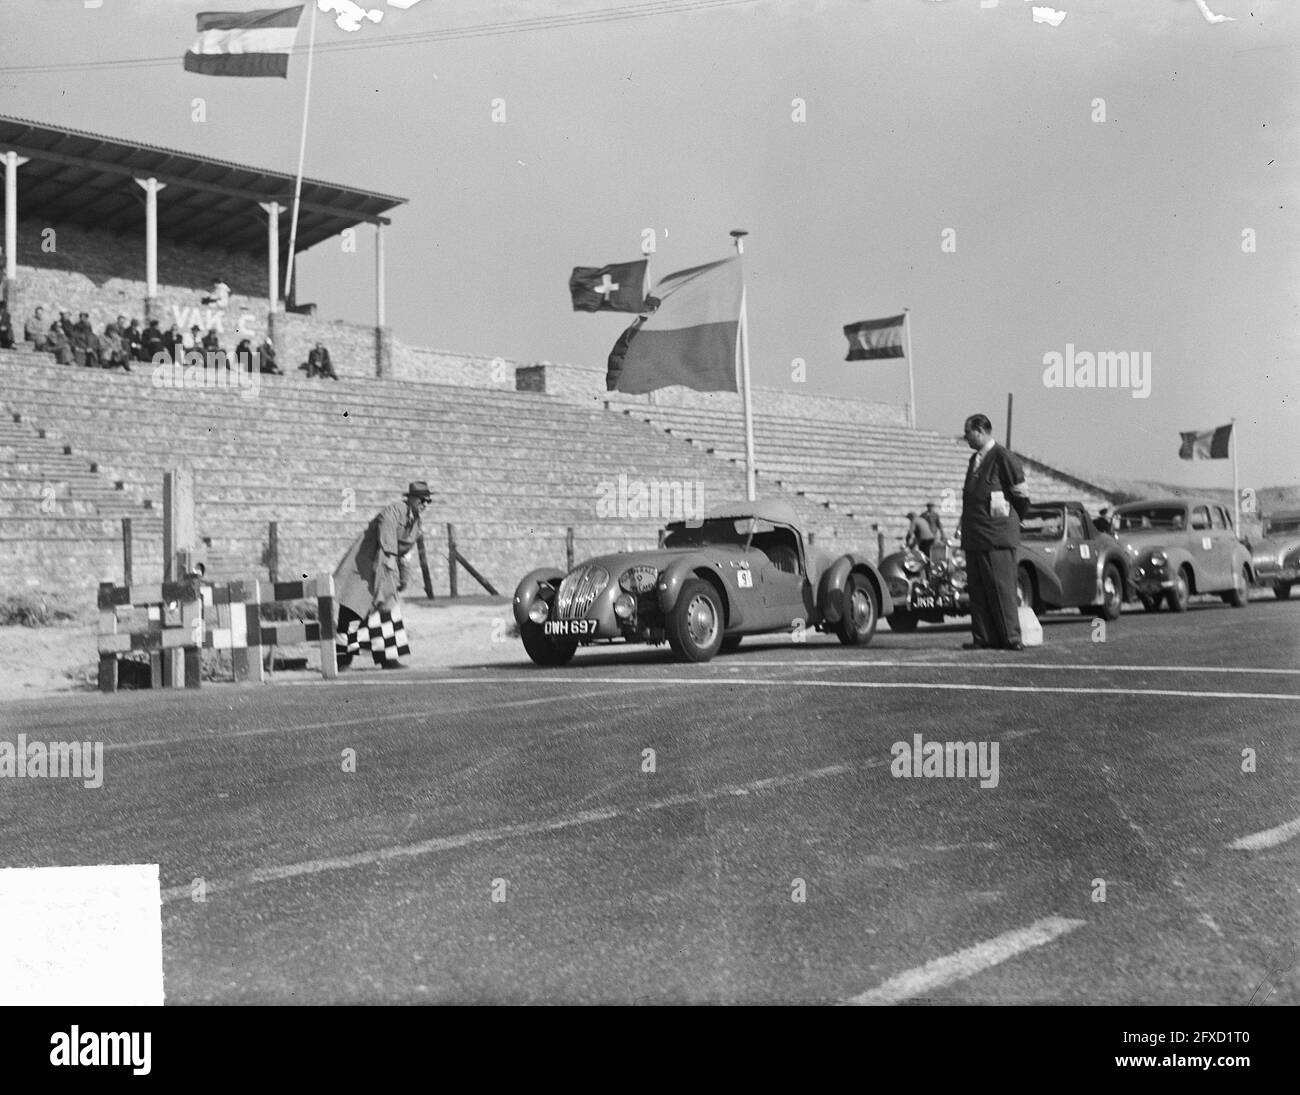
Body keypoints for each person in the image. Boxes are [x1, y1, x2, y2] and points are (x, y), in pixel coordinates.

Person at [332, 481, 432, 669]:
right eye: (422, 499)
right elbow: (386, 535)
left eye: (428, 500)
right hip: (363, 566)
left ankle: (387, 657)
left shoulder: (417, 523)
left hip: (386, 570)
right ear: (410, 498)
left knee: (387, 610)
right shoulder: (394, 510)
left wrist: (404, 577)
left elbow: (406, 553)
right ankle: (342, 659)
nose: (425, 503)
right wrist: (391, 562)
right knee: (351, 610)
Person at [960, 413, 1031, 651]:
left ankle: (1010, 638)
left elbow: (1021, 495)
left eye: (968, 433)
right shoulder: (975, 460)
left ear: (980, 431)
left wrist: (1010, 522)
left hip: (996, 536)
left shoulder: (1002, 457)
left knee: (1001, 589)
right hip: (975, 536)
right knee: (978, 591)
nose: (966, 438)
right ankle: (983, 637)